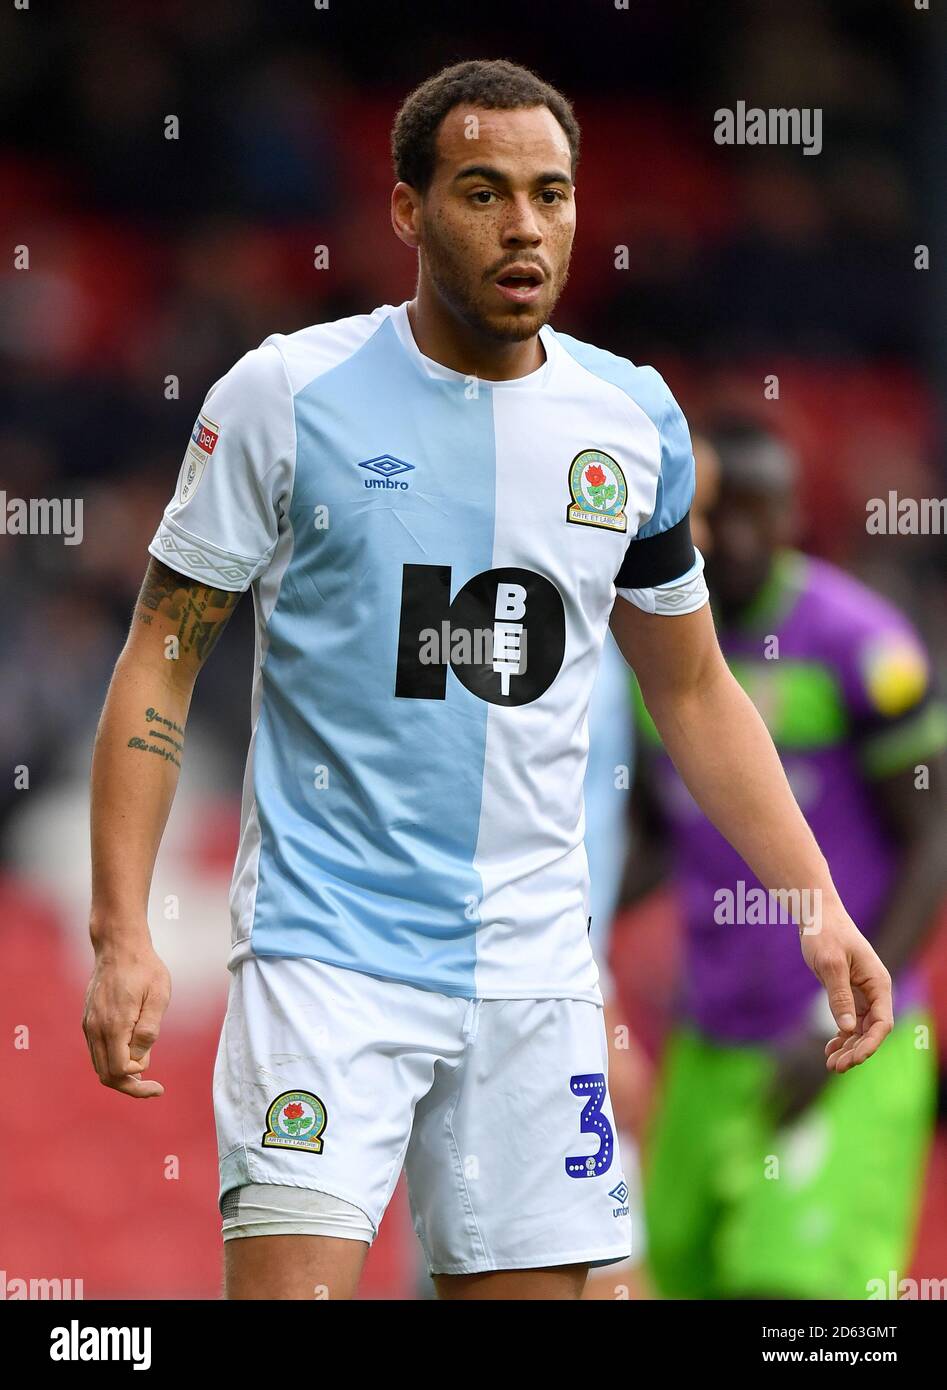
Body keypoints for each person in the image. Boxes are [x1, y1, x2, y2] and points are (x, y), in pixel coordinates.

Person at [84, 60, 894, 1302]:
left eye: (550, 193)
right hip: (323, 958)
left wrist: (817, 904)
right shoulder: (286, 396)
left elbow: (693, 691)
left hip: (534, 970)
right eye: (482, 192)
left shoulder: (628, 424)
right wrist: (124, 927)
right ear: (406, 211)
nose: (524, 225)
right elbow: (163, 654)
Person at [638, 420, 946, 1298]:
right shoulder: (649, 654)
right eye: (712, 514)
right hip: (708, 1038)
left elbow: (932, 835)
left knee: (797, 1304)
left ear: (788, 518)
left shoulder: (859, 645)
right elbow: (649, 838)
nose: (730, 537)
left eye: (754, 514)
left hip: (840, 1040)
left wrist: (833, 1023)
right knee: (683, 1277)